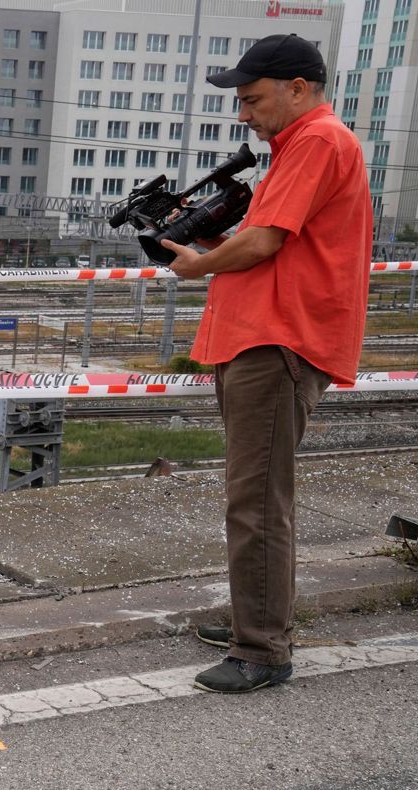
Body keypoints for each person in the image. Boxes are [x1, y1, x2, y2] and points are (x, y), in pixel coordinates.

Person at [159, 33, 372, 694]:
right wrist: (205, 234)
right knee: (255, 496)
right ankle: (260, 619)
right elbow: (267, 243)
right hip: (259, 336)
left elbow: (264, 242)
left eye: (252, 99)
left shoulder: (317, 141)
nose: (243, 114)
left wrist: (200, 262)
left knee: (256, 501)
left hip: (277, 340)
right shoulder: (298, 147)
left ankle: (262, 649)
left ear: (297, 89)